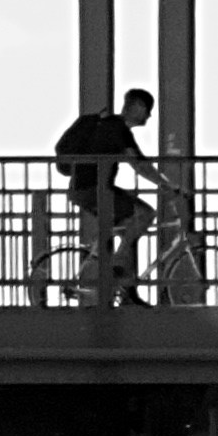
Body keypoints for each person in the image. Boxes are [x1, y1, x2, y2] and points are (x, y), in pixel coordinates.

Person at [53, 86, 159, 304]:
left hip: (87, 190)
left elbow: (138, 163)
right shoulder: (117, 129)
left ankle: (126, 290)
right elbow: (139, 165)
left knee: (126, 230)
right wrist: (169, 187)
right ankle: (117, 266)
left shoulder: (110, 127)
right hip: (92, 191)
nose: (149, 115)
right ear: (137, 107)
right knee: (145, 214)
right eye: (147, 109)